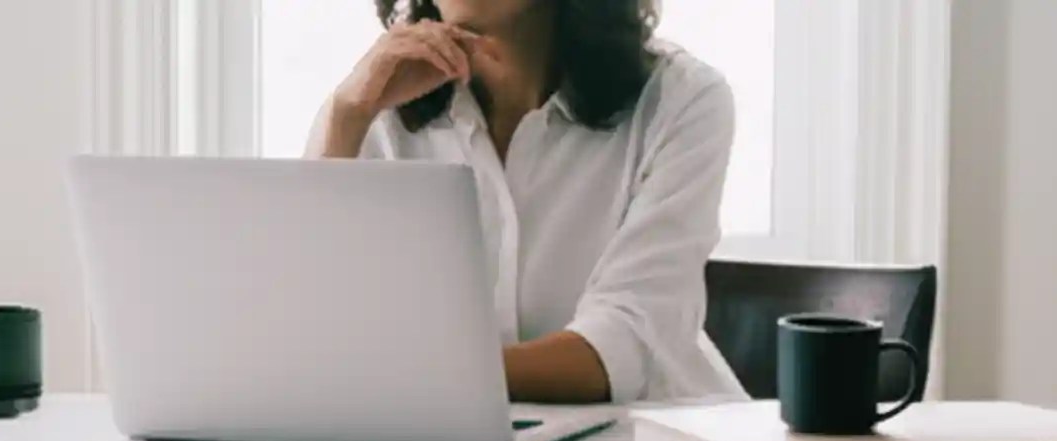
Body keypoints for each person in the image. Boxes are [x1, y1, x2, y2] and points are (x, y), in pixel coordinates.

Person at [306, 0, 747, 408]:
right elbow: (308, 329)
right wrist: (345, 117)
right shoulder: (375, 109)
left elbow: (625, 342)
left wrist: (412, 375)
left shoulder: (683, 99)